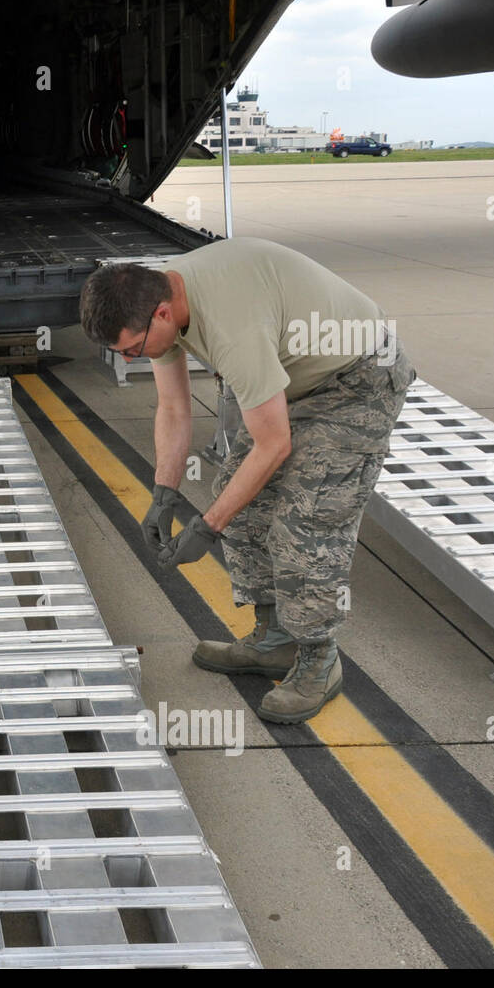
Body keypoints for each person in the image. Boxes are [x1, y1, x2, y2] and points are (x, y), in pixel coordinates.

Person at [80, 237, 415, 724]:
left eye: (133, 349)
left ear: (162, 315)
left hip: (356, 379)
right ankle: (276, 640)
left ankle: (320, 660)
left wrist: (206, 528)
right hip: (294, 380)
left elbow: (273, 444)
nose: (130, 359)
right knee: (241, 503)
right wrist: (164, 494)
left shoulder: (230, 324)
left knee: (306, 522)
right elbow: (173, 408)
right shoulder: (159, 302)